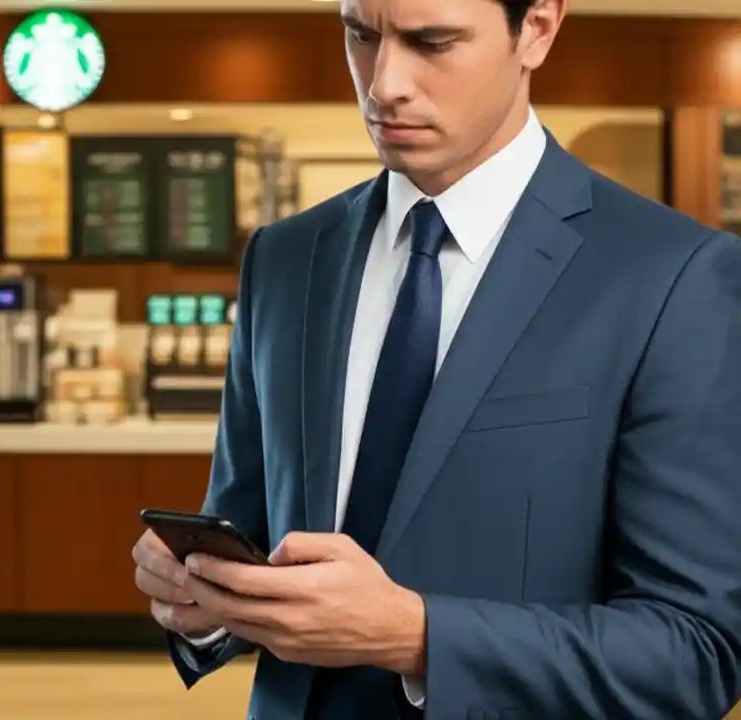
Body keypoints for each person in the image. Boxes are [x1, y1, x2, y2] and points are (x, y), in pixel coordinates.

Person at [130, 0, 741, 717]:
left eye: (433, 41)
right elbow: (246, 530)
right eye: (362, 35)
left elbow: (694, 651)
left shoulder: (672, 276)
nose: (384, 82)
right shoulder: (286, 259)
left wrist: (415, 636)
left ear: (537, 29)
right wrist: (202, 601)